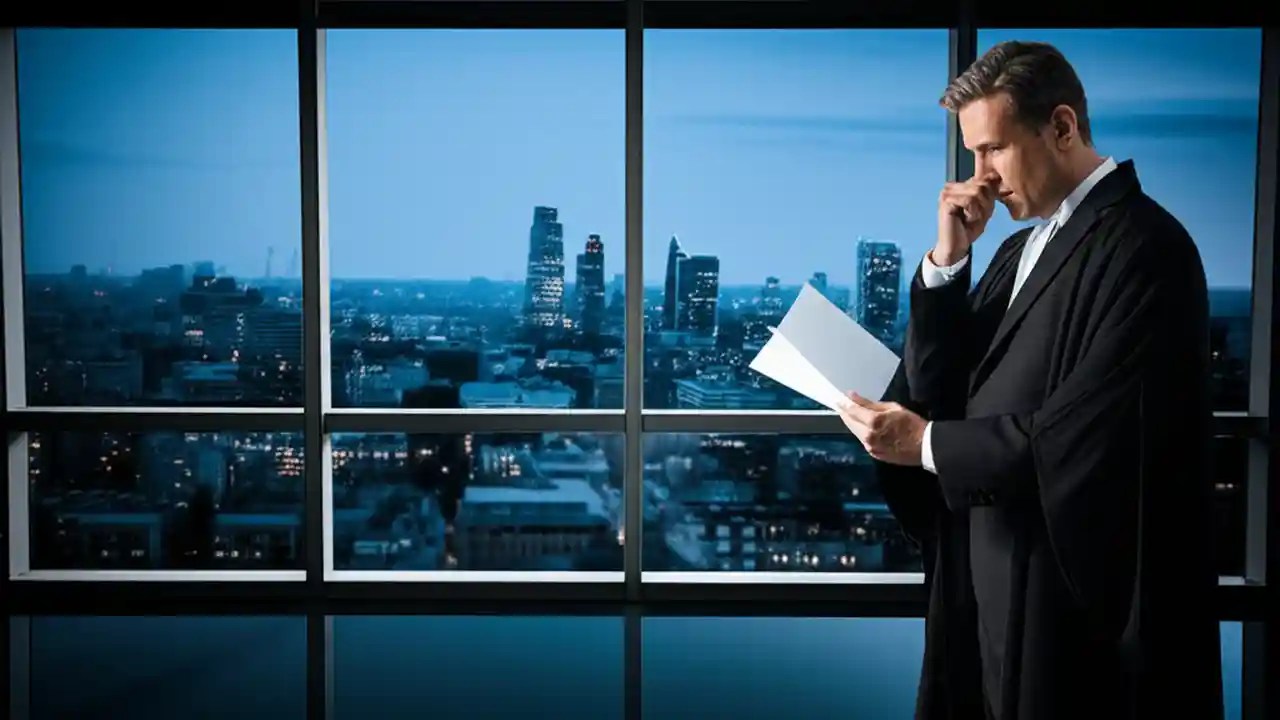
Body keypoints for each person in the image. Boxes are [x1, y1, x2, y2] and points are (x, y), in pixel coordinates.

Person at [836, 40, 1223, 720]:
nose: (978, 176)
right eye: (971, 155)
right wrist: (948, 263)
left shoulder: (1147, 248)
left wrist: (926, 447)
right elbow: (945, 384)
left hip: (1063, 607)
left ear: (1063, 127)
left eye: (993, 150)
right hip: (987, 587)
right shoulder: (1019, 247)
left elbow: (1087, 437)